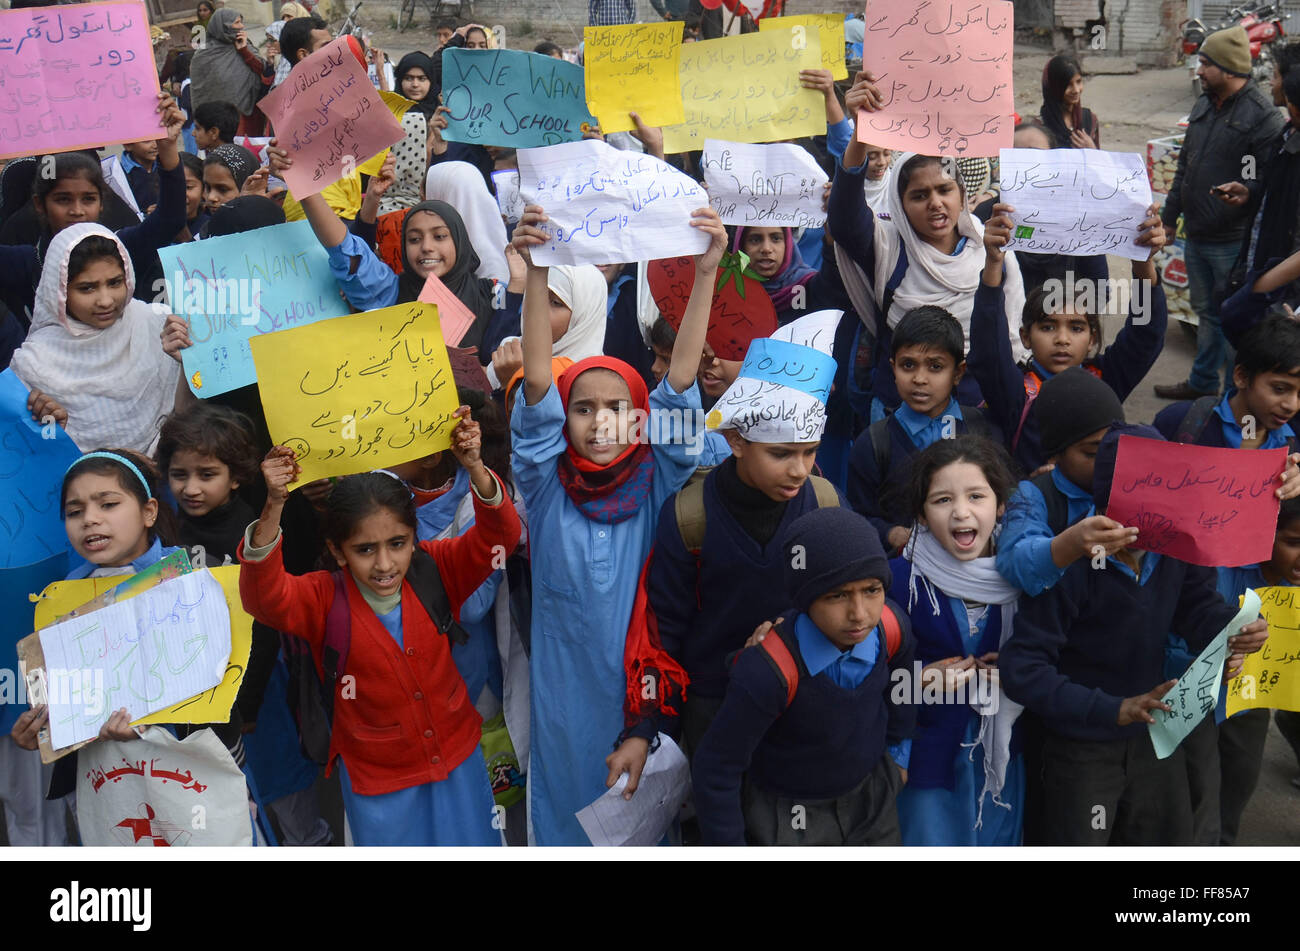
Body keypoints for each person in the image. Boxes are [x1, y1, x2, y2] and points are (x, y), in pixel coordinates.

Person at [508, 202, 725, 845]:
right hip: (563, 705)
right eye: (584, 409)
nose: (601, 422)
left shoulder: (659, 480)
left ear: (642, 422)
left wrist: (707, 273)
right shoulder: (545, 486)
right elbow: (539, 387)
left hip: (642, 698)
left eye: (618, 408)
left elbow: (681, 383)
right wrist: (540, 271)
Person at [237, 413, 523, 846]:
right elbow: (264, 597)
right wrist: (275, 502)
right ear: (337, 551)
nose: (385, 564)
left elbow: (500, 534)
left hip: (459, 761)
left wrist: (475, 468)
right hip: (379, 781)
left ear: (415, 538)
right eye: (365, 549)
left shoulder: (438, 568)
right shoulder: (321, 599)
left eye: (397, 544)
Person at [1000, 424, 1270, 846]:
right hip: (1083, 749)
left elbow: (1197, 609)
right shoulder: (1072, 564)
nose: (1159, 512)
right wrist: (1114, 708)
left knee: (1164, 838)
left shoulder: (1176, 551)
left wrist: (1236, 629)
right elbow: (1022, 669)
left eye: (1170, 495)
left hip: (1153, 737)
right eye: (1145, 496)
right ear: (1108, 502)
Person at [633, 311, 844, 763]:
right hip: (714, 708)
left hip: (806, 703)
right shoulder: (691, 517)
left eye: (810, 452)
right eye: (781, 453)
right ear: (735, 440)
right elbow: (666, 633)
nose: (799, 469)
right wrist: (648, 729)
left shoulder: (825, 504)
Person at [692, 506, 917, 845]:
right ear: (805, 598)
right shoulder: (768, 672)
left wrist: (898, 754)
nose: (859, 613)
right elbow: (716, 768)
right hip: (788, 818)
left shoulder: (891, 627)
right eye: (837, 595)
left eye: (872, 590)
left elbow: (903, 679)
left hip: (871, 802)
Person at [828, 71, 1028, 414]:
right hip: (896, 414)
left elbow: (1006, 341)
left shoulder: (991, 247)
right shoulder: (888, 247)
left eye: (944, 190)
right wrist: (861, 133)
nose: (935, 203)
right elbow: (845, 218)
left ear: (962, 194)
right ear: (900, 205)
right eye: (919, 195)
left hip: (974, 410)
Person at [889, 436, 1023, 846]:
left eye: (977, 496)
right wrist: (918, 681)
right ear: (922, 516)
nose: (961, 512)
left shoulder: (1025, 577)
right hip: (926, 763)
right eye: (942, 500)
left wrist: (1018, 672)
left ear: (1000, 505)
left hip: (1001, 761)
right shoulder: (895, 582)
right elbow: (862, 676)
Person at [277, 132, 521, 355]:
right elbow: (345, 249)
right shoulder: (391, 292)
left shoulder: (493, 292)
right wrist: (304, 188)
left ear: (460, 242)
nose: (426, 247)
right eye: (414, 239)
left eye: (440, 236)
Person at [970, 200, 1167, 472]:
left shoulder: (1104, 380)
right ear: (1025, 337)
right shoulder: (1017, 391)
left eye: (1076, 328)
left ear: (1093, 337)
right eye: (1048, 327)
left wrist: (1144, 266)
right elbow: (988, 348)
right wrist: (993, 263)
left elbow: (1145, 336)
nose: (1062, 339)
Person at [1153, 25, 1285, 402]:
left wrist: (1246, 193)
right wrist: (1169, 216)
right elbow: (1185, 168)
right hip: (1196, 234)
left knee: (1233, 321)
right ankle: (1202, 382)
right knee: (1204, 314)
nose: (1198, 70)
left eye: (1205, 64)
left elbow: (1267, 181)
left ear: (1229, 69)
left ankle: (1232, 399)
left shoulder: (1263, 117)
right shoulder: (1205, 104)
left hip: (1233, 243)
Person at [0, 95, 186, 327]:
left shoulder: (121, 248)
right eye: (63, 199)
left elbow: (171, 219)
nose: (77, 211)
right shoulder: (26, 264)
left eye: (88, 199)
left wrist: (168, 148)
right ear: (40, 204)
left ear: (101, 203)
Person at [9, 225, 188, 453]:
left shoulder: (160, 325)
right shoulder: (32, 364)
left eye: (114, 283)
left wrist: (190, 366)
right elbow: (29, 452)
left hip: (169, 475)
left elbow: (191, 416)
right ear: (60, 291)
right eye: (87, 288)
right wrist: (52, 430)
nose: (105, 300)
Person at [847, 305, 1000, 553]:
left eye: (935, 367)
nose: (919, 379)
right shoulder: (874, 444)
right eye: (908, 365)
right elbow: (857, 518)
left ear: (958, 372)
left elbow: (1005, 499)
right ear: (893, 368)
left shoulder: (982, 430)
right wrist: (891, 533)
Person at [189, 9, 269, 137]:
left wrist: (244, 51)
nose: (242, 26)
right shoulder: (203, 55)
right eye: (237, 23)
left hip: (247, 115)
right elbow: (199, 90)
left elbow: (262, 70)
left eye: (241, 22)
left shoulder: (243, 43)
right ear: (223, 25)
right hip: (217, 121)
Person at [1039, 54, 1100, 150]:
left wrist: (1092, 150)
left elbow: (1100, 163)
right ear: (1054, 88)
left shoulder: (1090, 120)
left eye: (1079, 81)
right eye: (1068, 85)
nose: (1076, 90)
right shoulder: (1039, 128)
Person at [203, 144, 263, 216]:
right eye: (207, 188)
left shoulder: (268, 224)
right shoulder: (207, 226)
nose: (211, 197)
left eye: (223, 189)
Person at [120, 140, 160, 214]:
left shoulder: (165, 166)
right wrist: (144, 212)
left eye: (158, 139)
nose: (155, 145)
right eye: (147, 141)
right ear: (128, 145)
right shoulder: (120, 174)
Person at [394, 52, 439, 116]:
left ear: (431, 81)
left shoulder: (443, 112)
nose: (415, 84)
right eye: (408, 78)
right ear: (400, 81)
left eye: (422, 79)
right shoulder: (388, 110)